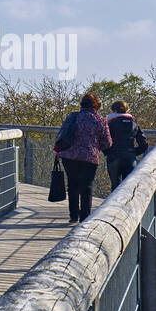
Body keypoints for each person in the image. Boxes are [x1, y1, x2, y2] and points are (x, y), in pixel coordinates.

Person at [54, 93, 113, 223]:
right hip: (89, 157)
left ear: (82, 104)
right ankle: (85, 218)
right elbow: (107, 143)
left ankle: (73, 215)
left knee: (72, 184)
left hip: (69, 155)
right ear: (96, 105)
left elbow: (61, 134)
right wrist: (97, 145)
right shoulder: (100, 120)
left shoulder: (72, 116)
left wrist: (58, 150)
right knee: (86, 187)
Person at [105, 100, 149, 190]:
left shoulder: (109, 124)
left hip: (113, 157)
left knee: (115, 186)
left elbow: (103, 140)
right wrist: (133, 152)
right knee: (127, 188)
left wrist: (107, 152)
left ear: (114, 110)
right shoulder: (133, 124)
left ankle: (114, 204)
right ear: (126, 110)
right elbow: (144, 144)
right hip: (129, 157)